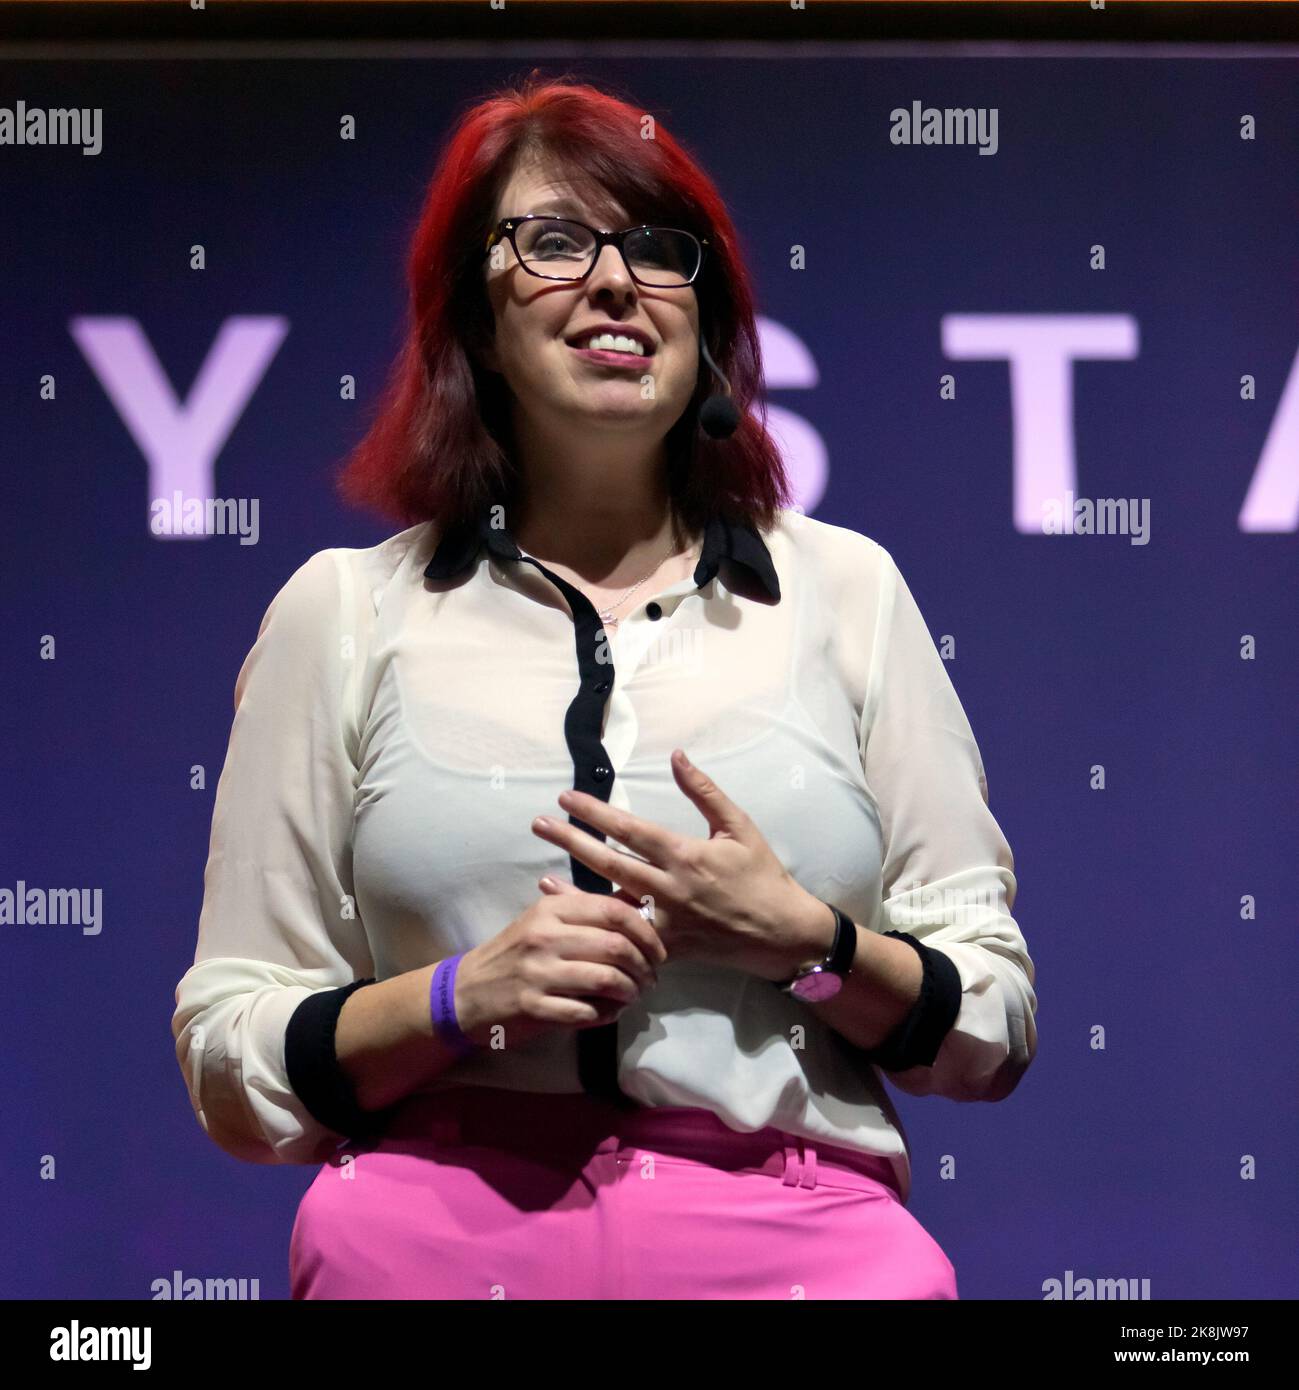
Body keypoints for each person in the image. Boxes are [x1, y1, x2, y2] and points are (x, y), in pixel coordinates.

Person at [172, 71, 1037, 1301]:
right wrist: (459, 997)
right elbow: (229, 1048)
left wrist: (812, 945)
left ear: (709, 320)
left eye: (659, 250)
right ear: (472, 315)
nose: (618, 282)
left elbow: (992, 1021)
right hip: (430, 1242)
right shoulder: (346, 611)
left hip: (801, 1243)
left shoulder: (847, 589)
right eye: (556, 242)